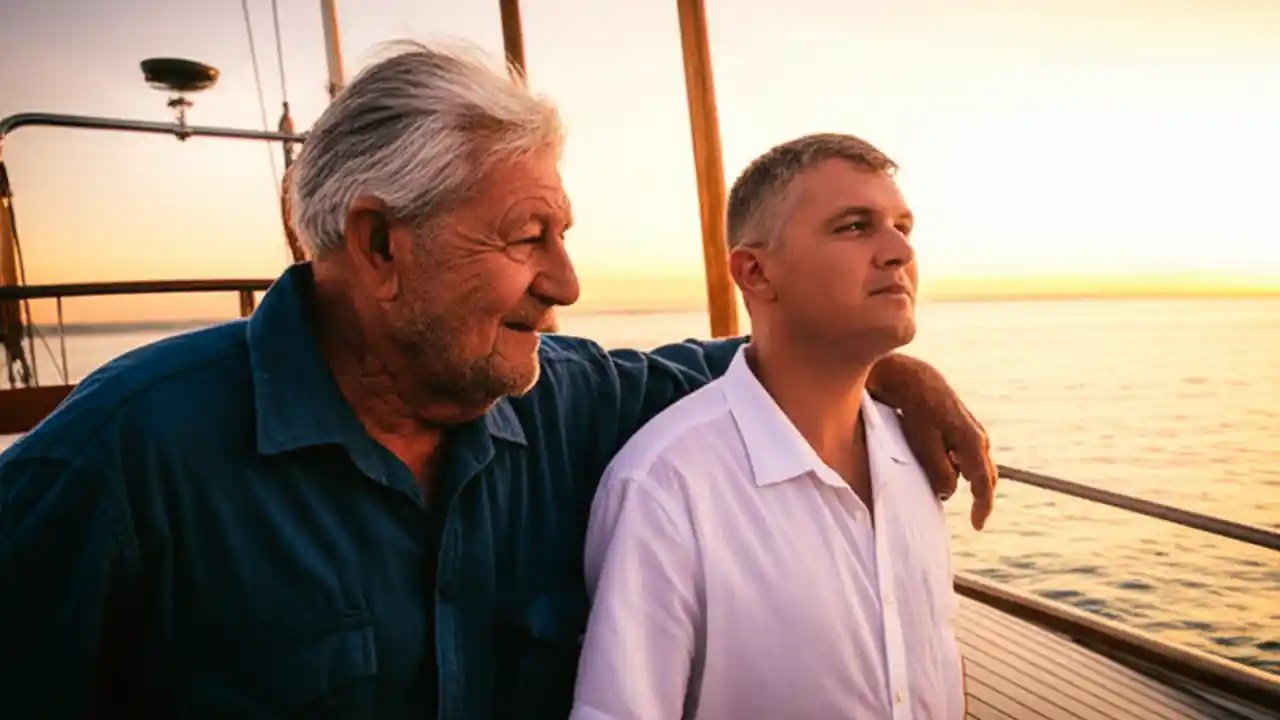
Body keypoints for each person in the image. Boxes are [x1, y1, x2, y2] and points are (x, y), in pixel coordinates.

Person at [0, 43, 993, 719]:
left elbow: (752, 368)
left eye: (562, 236)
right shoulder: (119, 462)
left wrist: (896, 371)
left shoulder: (564, 403)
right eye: (527, 239)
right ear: (380, 244)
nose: (563, 283)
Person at [572, 134, 966, 719]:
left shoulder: (910, 456)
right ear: (754, 272)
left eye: (902, 228)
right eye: (855, 226)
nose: (897, 251)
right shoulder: (667, 486)